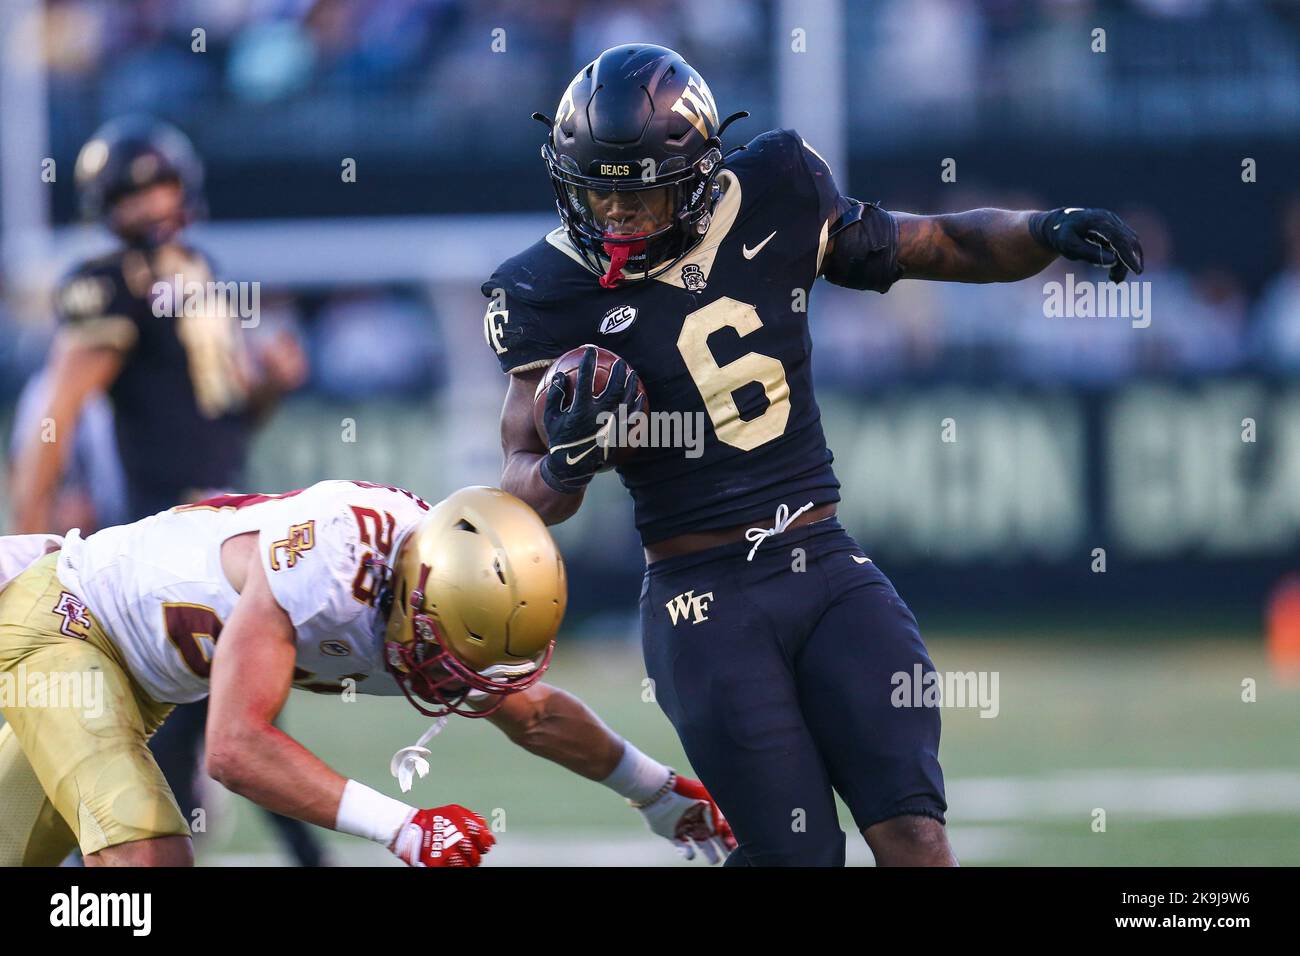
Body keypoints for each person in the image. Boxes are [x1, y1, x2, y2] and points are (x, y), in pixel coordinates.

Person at [486, 44, 1144, 866]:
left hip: (825, 562)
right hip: (704, 599)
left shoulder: (778, 190)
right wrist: (565, 463)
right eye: (597, 192)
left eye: (638, 194)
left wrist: (1042, 231)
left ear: (696, 175)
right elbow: (517, 489)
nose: (614, 215)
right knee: (798, 857)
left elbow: (937, 243)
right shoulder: (544, 287)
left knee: (916, 835)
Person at [0, 482, 734, 866]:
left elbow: (533, 712)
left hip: (135, 678)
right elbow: (233, 748)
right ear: (416, 589)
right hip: (71, 619)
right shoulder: (334, 556)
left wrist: (656, 791)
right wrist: (404, 828)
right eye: (448, 647)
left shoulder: (446, 597)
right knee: (148, 856)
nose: (454, 677)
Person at [8, 115, 314, 863]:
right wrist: (31, 537)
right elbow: (60, 411)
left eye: (162, 187)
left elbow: (232, 406)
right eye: (133, 193)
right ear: (105, 207)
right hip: (161, 531)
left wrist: (271, 382)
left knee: (227, 710)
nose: (151, 205)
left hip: (227, 517)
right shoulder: (104, 285)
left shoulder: (197, 271)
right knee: (207, 717)